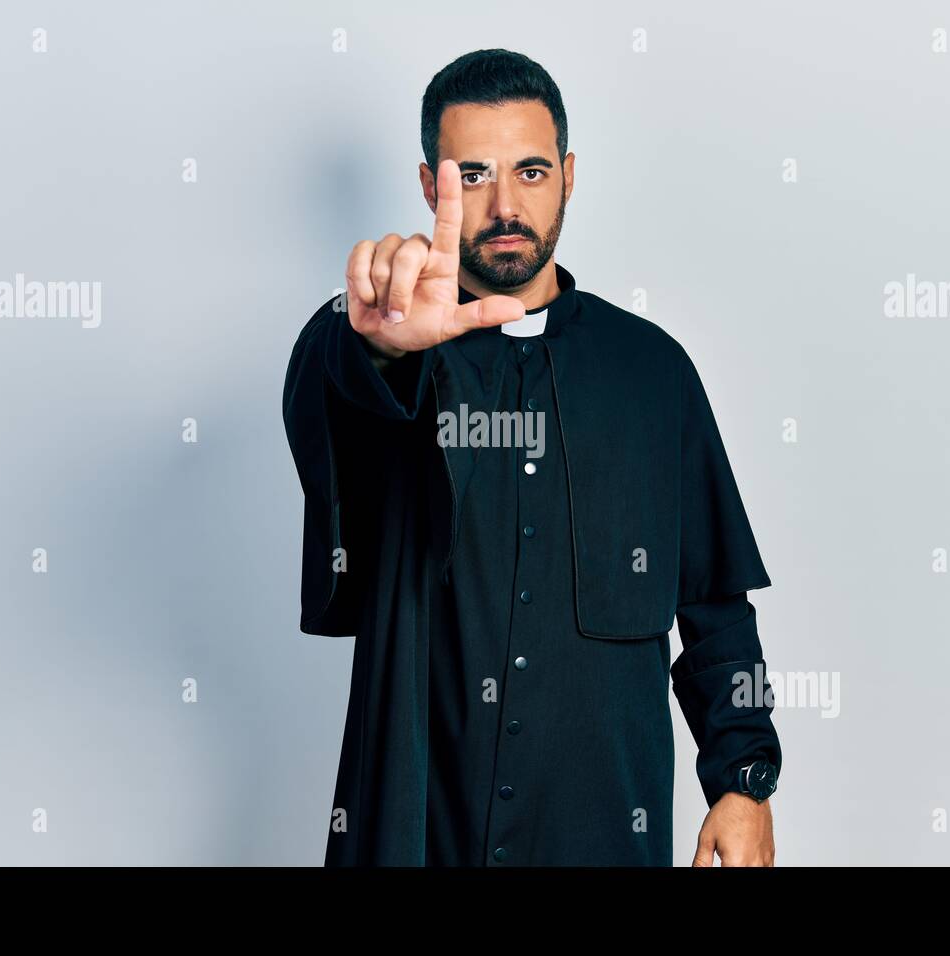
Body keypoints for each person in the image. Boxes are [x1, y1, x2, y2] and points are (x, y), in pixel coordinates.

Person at [283, 48, 781, 866]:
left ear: (570, 176)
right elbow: (326, 395)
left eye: (532, 171)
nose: (505, 205)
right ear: (428, 187)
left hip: (601, 829)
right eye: (472, 175)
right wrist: (373, 347)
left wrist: (744, 779)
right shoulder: (392, 353)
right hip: (419, 832)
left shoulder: (653, 372)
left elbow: (717, 602)